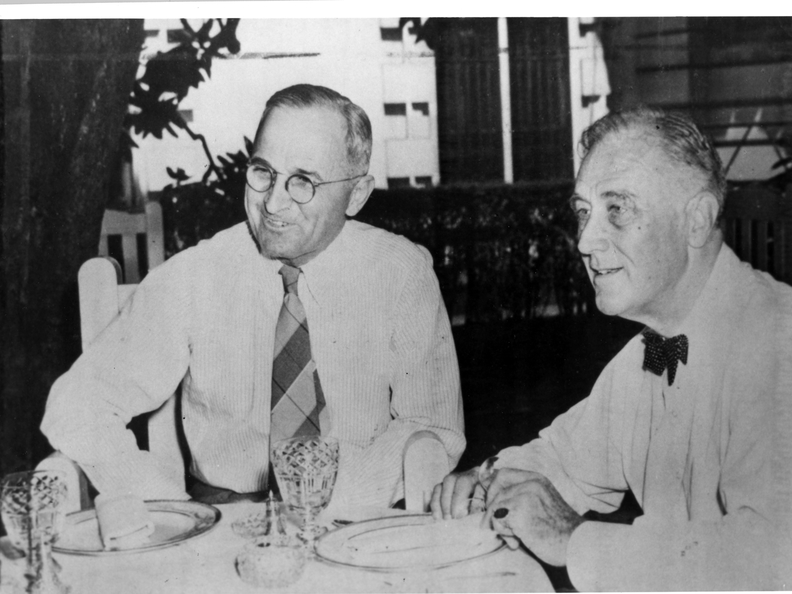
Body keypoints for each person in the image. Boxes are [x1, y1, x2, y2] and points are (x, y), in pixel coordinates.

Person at [42, 84, 465, 510]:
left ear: (356, 194)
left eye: (303, 182)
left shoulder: (400, 272)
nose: (274, 204)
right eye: (263, 172)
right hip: (225, 517)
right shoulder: (194, 275)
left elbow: (434, 426)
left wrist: (324, 506)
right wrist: (169, 506)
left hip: (358, 513)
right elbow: (79, 405)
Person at [431, 106, 792, 590]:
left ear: (697, 220)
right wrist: (489, 481)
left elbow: (772, 561)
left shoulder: (778, 342)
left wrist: (572, 539)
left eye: (617, 209)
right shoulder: (648, 353)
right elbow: (567, 458)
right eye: (584, 212)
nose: (584, 241)